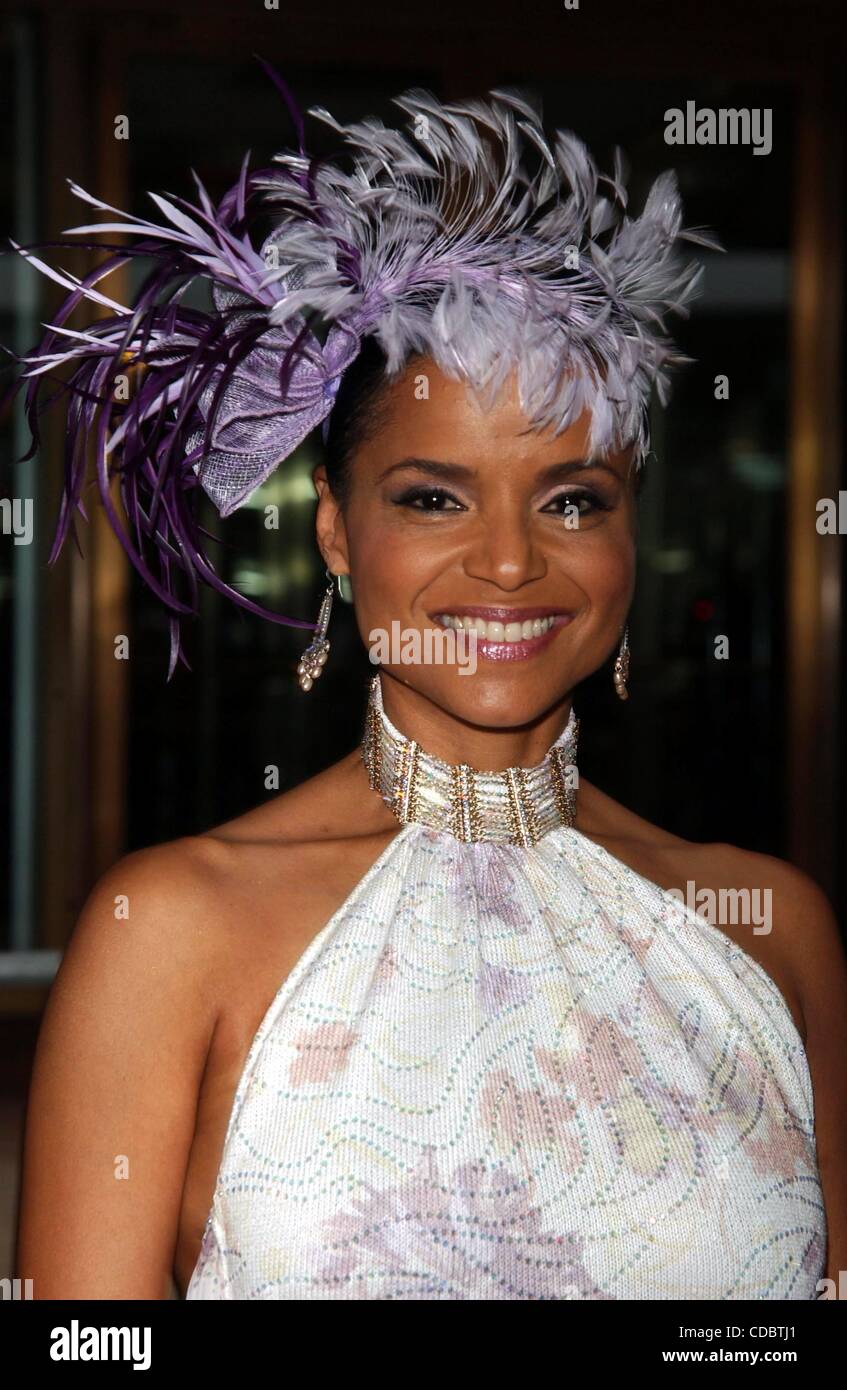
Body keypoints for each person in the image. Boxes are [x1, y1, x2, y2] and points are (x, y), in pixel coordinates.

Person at [8, 73, 846, 1300]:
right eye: (432, 497)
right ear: (338, 535)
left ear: (626, 540)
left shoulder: (771, 933)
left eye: (571, 499)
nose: (510, 561)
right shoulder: (171, 931)